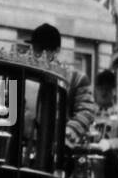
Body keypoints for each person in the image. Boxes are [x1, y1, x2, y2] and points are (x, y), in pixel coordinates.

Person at [30, 23, 98, 152]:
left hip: (59, 149)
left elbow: (86, 112)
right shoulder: (27, 73)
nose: (40, 55)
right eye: (37, 49)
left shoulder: (75, 78)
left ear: (57, 50)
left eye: (46, 49)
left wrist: (64, 138)